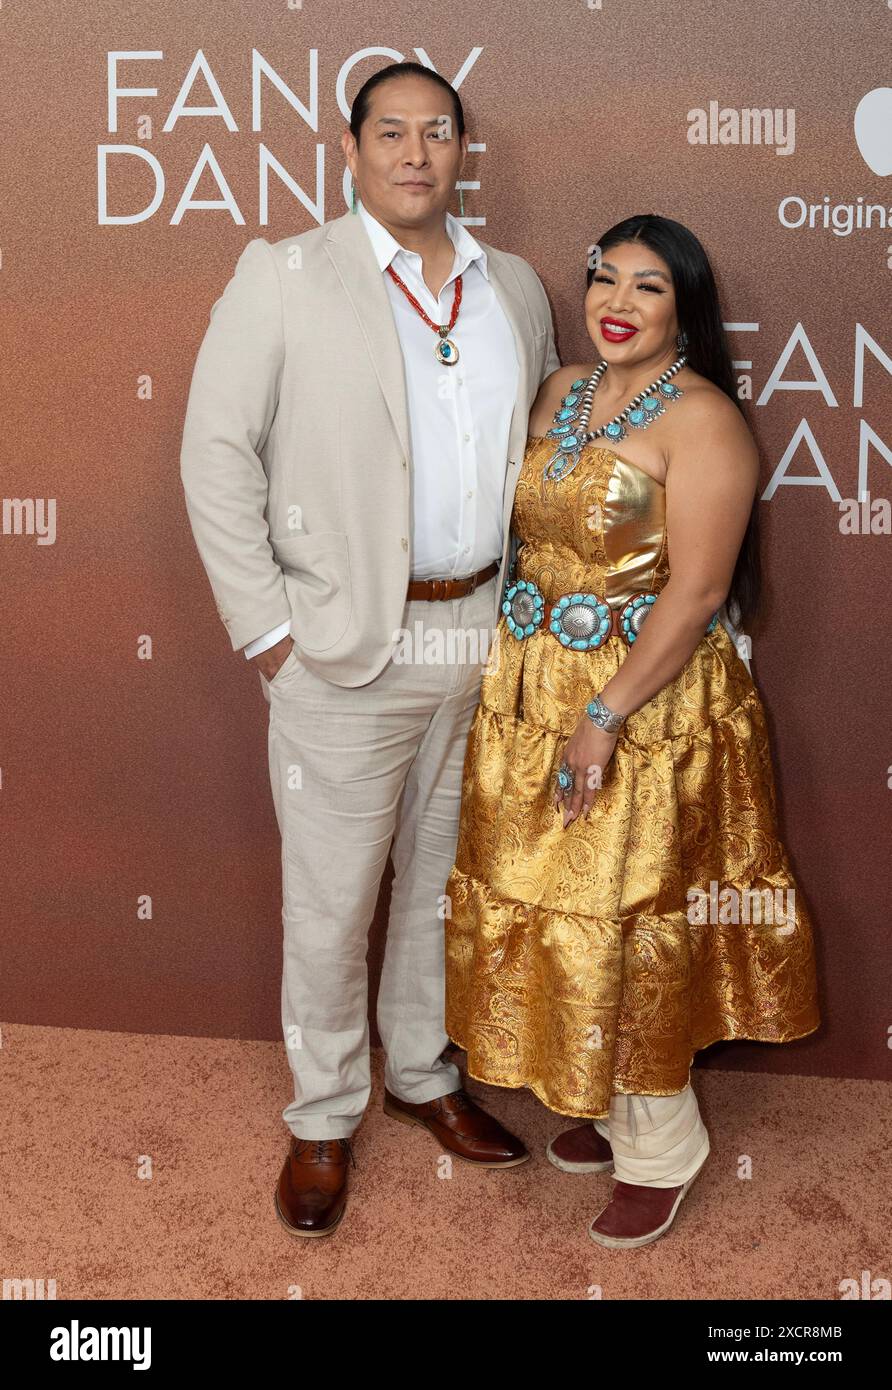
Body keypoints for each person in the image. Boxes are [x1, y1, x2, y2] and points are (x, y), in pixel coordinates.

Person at [179, 61, 561, 1237]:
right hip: (344, 642)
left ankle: (422, 1075)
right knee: (332, 900)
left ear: (460, 151)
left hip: (481, 631)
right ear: (350, 151)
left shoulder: (517, 287)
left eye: (434, 133)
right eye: (388, 132)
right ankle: (323, 1111)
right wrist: (273, 635)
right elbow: (215, 456)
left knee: (444, 888)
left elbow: (543, 462)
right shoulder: (285, 276)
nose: (413, 153)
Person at [443, 214, 821, 1249]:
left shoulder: (704, 422)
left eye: (646, 287)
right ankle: (608, 1096)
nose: (616, 301)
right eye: (603, 277)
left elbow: (696, 593)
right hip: (530, 688)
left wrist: (602, 718)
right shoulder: (561, 390)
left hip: (641, 702)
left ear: (682, 306)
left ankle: (663, 1143)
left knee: (623, 911)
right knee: (548, 898)